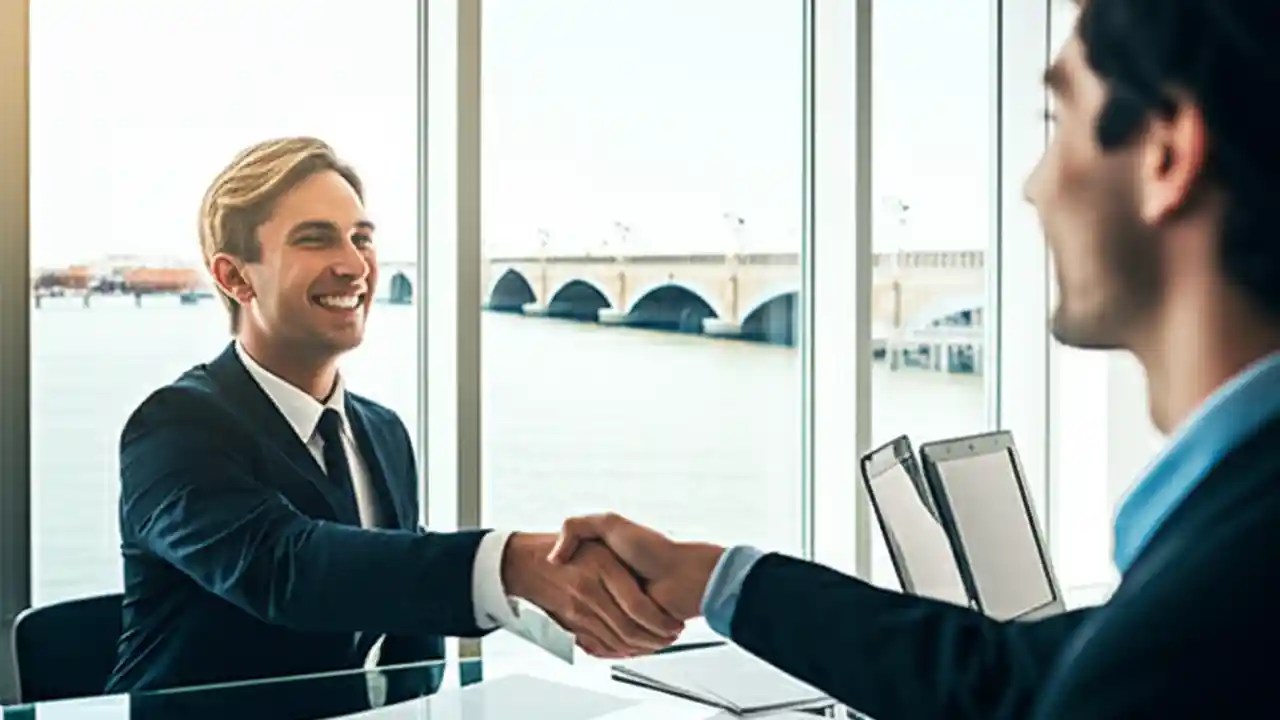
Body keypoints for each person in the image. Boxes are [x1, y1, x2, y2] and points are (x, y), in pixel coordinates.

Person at [550, 1, 1280, 717]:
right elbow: (1018, 681)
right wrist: (712, 578)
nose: (1034, 186)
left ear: (1166, 153)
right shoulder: (1229, 552)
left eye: (1058, 124)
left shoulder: (1221, 599)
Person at [107, 137, 682, 694]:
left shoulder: (380, 430)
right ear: (235, 277)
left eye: (362, 238)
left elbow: (398, 604)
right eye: (315, 240)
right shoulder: (172, 428)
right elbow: (285, 568)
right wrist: (509, 564)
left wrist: (565, 603)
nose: (354, 265)